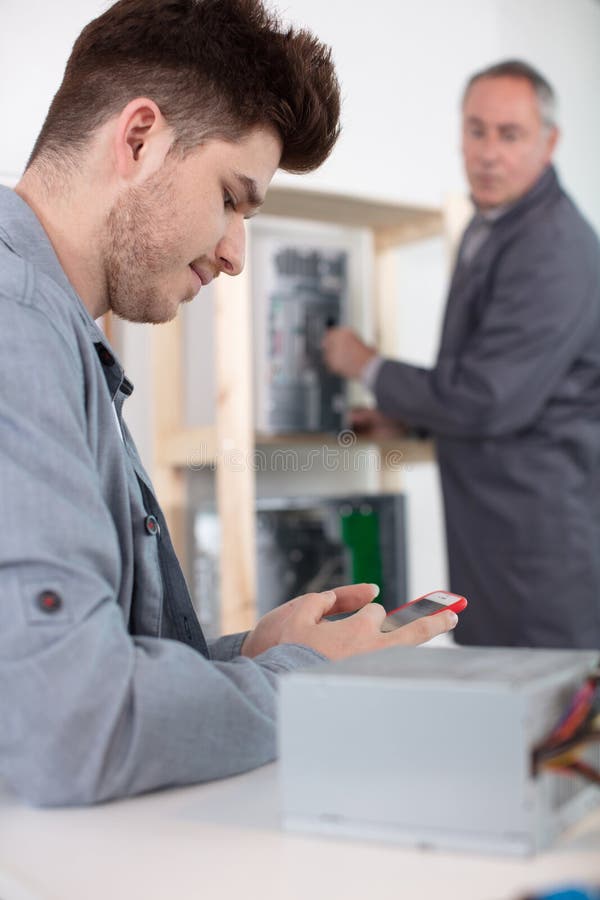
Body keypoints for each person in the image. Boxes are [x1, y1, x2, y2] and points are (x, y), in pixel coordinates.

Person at [0, 0, 457, 808]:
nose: (236, 254)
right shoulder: (14, 325)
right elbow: (71, 725)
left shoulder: (55, 330)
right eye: (231, 199)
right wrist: (305, 680)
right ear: (138, 138)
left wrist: (253, 656)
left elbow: (78, 667)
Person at [323, 60, 600, 651]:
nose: (488, 152)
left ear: (549, 143)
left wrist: (367, 366)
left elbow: (486, 399)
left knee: (550, 728)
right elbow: (508, 381)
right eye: (477, 131)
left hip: (540, 557)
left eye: (510, 134)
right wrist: (410, 417)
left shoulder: (554, 245)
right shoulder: (495, 223)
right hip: (497, 543)